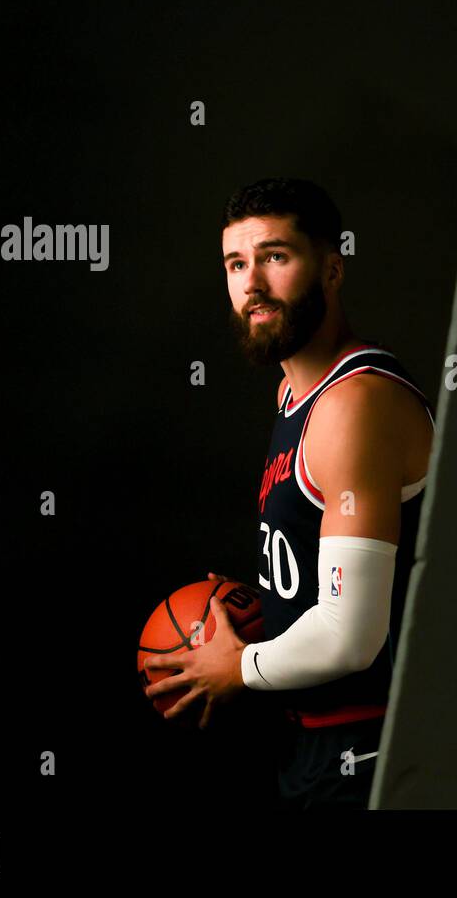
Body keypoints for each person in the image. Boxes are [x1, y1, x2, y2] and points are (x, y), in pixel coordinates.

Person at [144, 178, 435, 809]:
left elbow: (352, 634)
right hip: (311, 744)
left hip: (373, 746)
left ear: (331, 269)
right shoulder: (294, 395)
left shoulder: (356, 404)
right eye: (236, 263)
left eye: (275, 257)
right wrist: (259, 606)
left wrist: (239, 664)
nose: (252, 284)